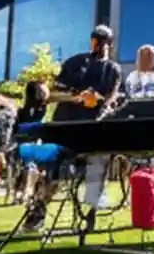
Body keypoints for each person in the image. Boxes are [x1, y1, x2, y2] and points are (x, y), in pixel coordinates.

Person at [49, 25, 123, 233]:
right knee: (53, 171)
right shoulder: (74, 63)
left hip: (92, 130)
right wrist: (78, 98)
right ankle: (38, 212)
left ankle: (89, 217)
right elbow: (53, 94)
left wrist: (100, 102)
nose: (100, 44)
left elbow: (110, 100)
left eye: (104, 41)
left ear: (110, 44)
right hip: (65, 125)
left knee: (98, 165)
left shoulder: (113, 70)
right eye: (96, 39)